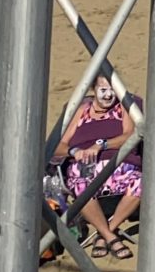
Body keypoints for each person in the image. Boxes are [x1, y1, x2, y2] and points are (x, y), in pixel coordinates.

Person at [53, 71, 144, 258]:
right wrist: (74, 151)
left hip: (119, 168)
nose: (109, 95)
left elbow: (129, 135)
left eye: (113, 90)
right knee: (81, 185)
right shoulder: (81, 111)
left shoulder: (125, 107)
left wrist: (101, 144)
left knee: (140, 183)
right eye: (103, 90)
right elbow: (58, 145)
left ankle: (106, 234)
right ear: (94, 90)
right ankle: (112, 237)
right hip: (85, 168)